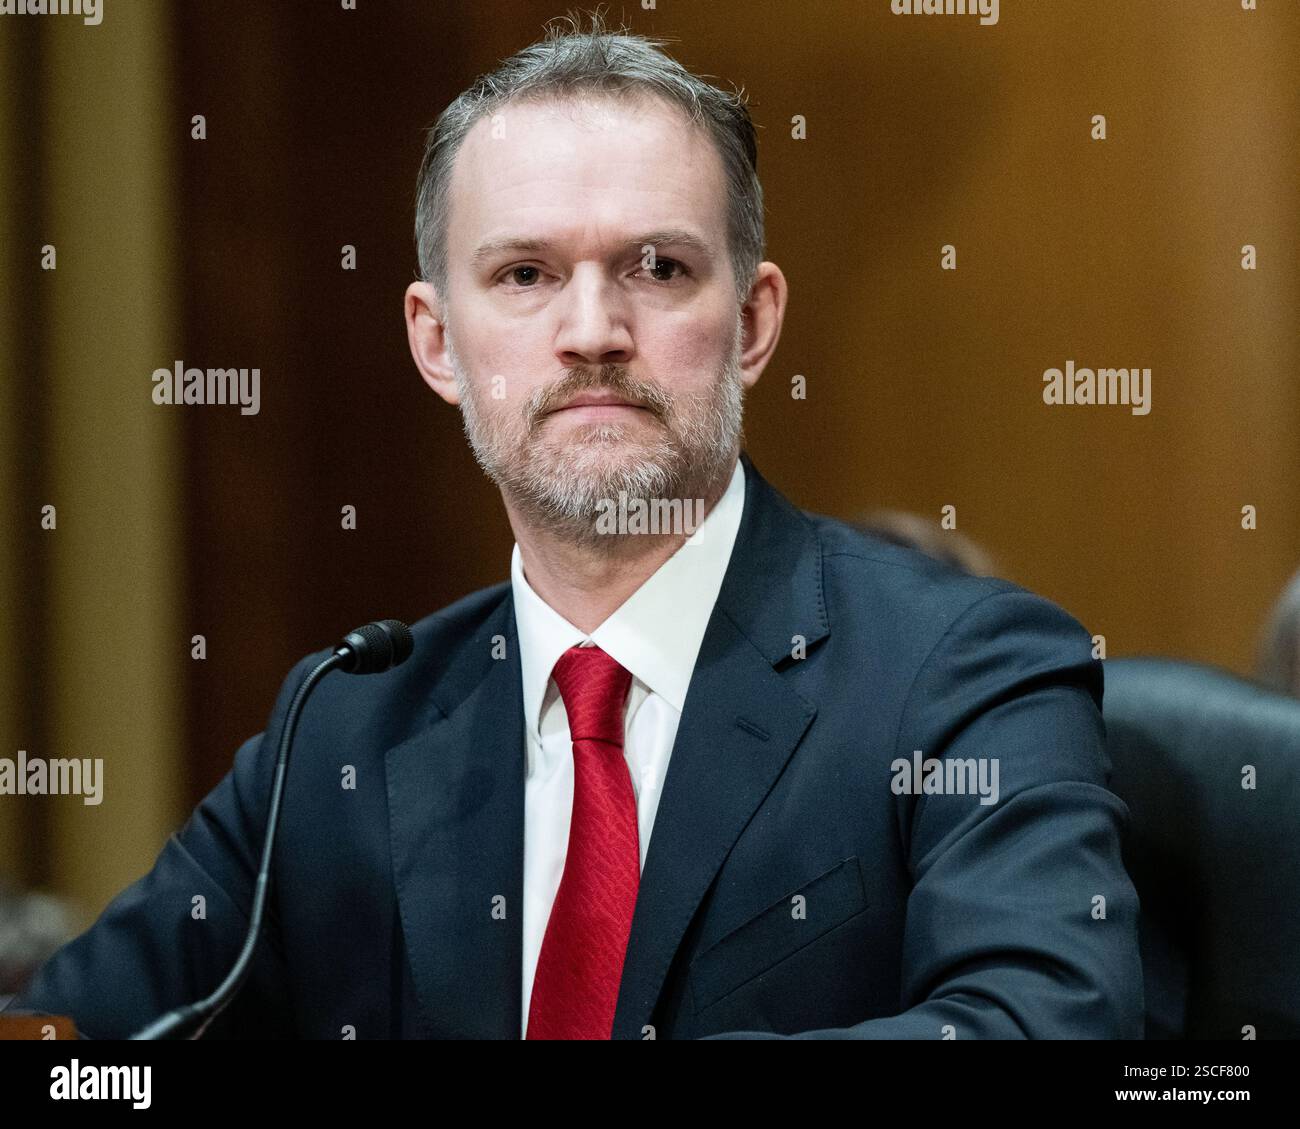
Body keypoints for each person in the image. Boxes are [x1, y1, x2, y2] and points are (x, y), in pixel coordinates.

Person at [7, 12, 1142, 1039]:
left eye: (657, 267)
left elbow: (1041, 1026)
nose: (591, 330)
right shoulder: (342, 730)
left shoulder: (965, 674)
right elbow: (75, 1045)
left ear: (750, 322)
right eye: (525, 274)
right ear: (437, 341)